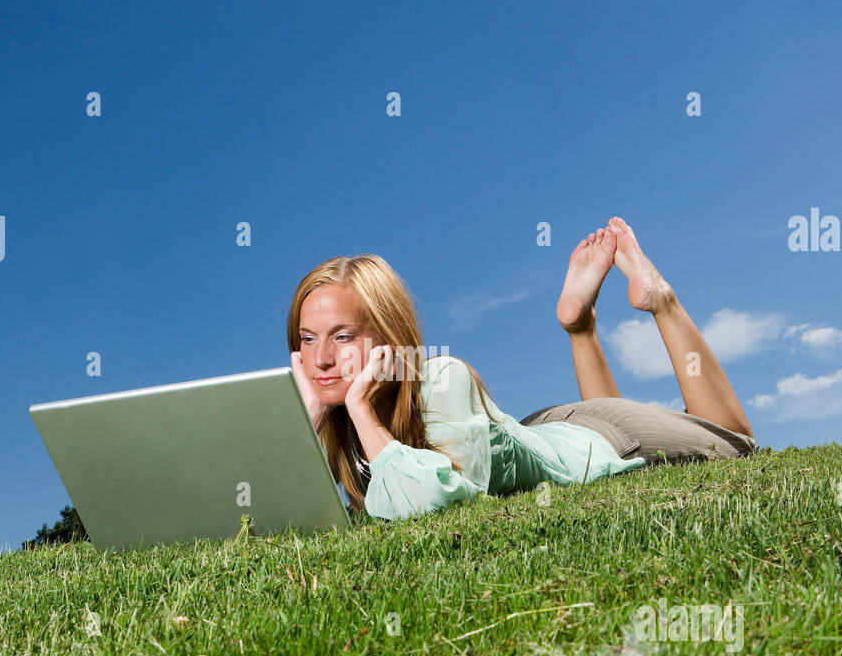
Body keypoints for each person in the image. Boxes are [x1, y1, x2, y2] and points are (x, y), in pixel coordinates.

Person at [288, 217, 757, 521]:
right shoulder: (340, 424)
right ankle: (581, 327)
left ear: (391, 338)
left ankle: (661, 299)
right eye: (307, 340)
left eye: (343, 336)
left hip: (605, 437)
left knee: (735, 441)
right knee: (602, 413)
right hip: (544, 430)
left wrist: (361, 412)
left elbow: (431, 505)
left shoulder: (440, 377)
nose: (322, 359)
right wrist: (303, 424)